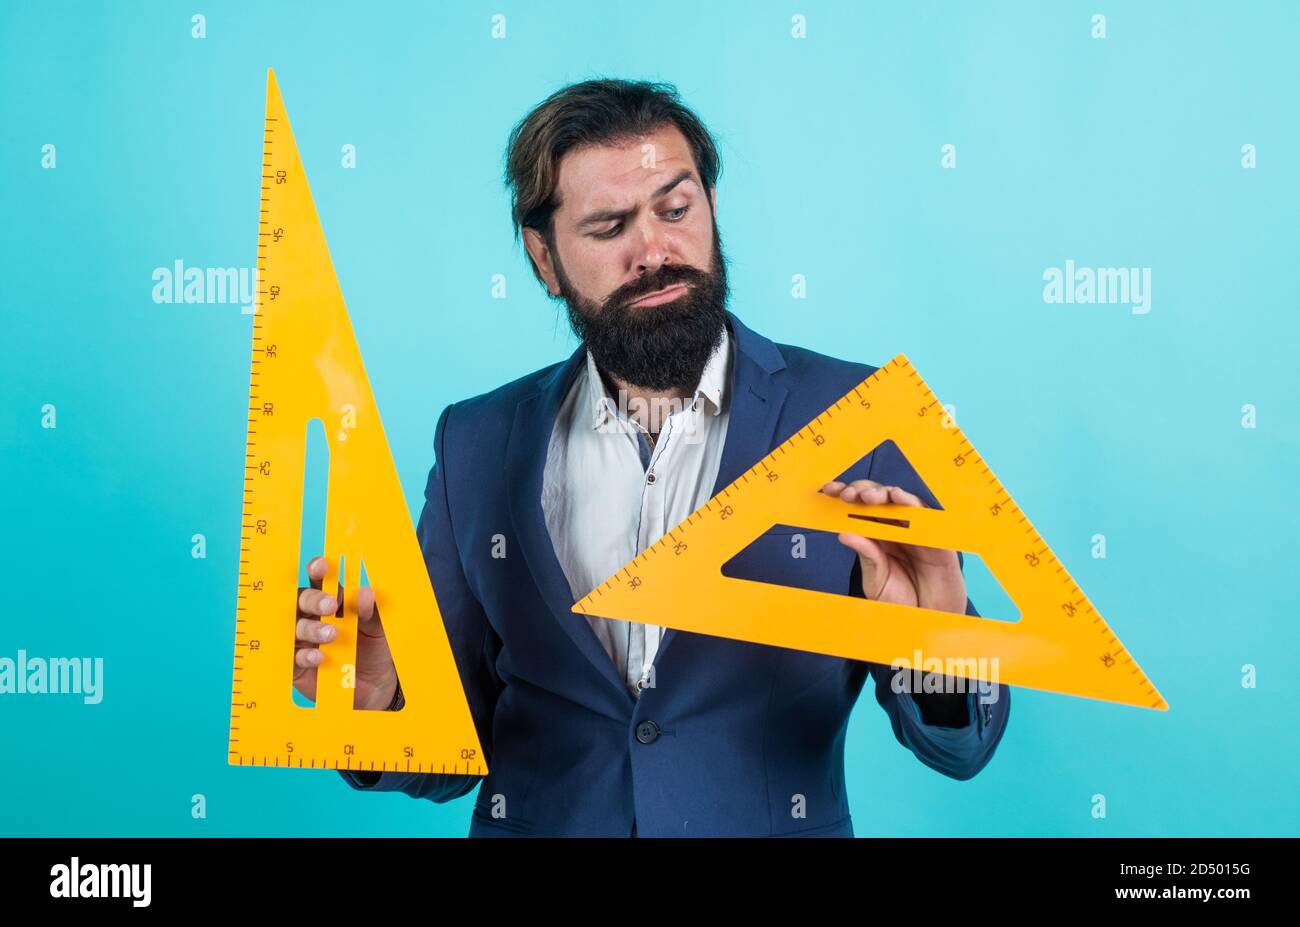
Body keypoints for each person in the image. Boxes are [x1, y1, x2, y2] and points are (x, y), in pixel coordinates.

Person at [292, 79, 1010, 837]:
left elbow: (961, 747)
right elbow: (444, 749)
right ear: (544, 257)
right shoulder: (475, 441)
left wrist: (941, 644)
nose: (655, 253)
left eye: (676, 208)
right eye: (608, 227)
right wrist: (375, 702)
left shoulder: (856, 414)